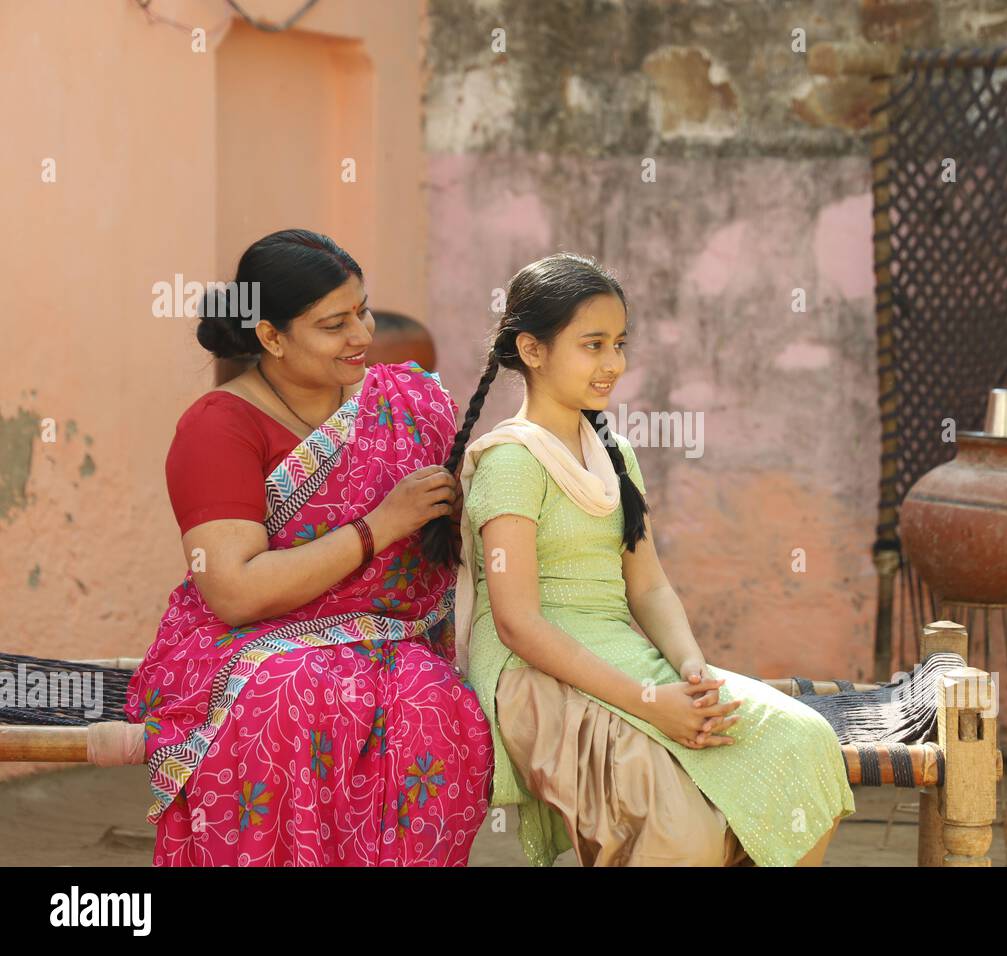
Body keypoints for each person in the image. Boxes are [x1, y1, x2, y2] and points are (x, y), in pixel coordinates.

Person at [420, 252, 855, 866]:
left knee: (801, 743)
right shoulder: (511, 463)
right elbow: (517, 622)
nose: (613, 364)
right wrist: (650, 702)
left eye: (619, 344)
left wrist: (690, 669)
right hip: (533, 672)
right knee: (680, 824)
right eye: (593, 344)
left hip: (623, 655)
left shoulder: (614, 454)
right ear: (533, 350)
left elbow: (648, 586)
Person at [125, 228, 492, 866]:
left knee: (435, 704)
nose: (361, 336)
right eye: (333, 325)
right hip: (253, 646)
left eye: (362, 311)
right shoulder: (219, 426)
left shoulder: (405, 404)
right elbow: (235, 592)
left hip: (391, 638)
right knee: (294, 695)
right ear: (270, 337)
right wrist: (382, 525)